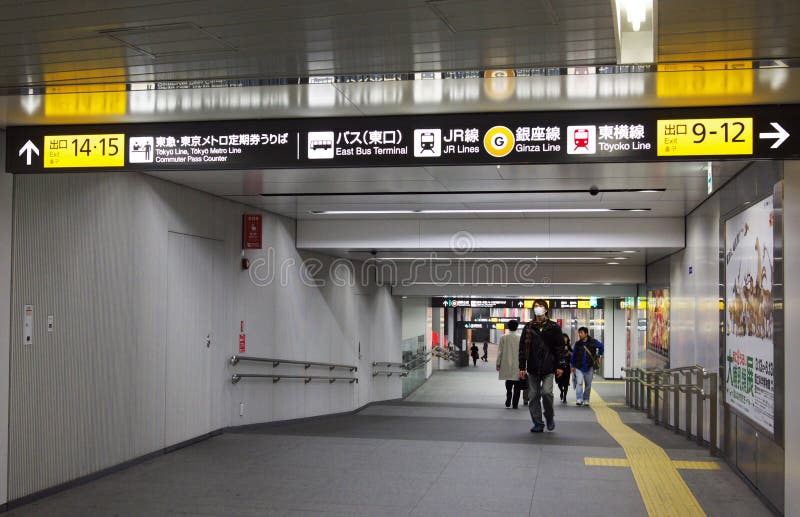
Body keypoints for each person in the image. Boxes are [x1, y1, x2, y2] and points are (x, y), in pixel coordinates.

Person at [518, 299, 564, 432]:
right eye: (536, 306)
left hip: (549, 367)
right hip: (532, 367)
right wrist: (522, 367)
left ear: (546, 309)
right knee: (533, 396)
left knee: (546, 393)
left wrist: (560, 365)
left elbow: (559, 348)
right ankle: (538, 423)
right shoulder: (528, 327)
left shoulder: (554, 327)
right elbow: (522, 348)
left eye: (540, 306)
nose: (538, 308)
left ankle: (549, 416)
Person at [571, 327, 605, 406]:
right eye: (579, 333)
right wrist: (572, 365)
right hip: (579, 367)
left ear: (586, 334)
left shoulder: (593, 342)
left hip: (589, 367)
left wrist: (599, 355)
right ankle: (579, 399)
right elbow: (574, 355)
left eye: (581, 333)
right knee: (579, 383)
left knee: (588, 384)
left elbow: (601, 346)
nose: (580, 334)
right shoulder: (577, 344)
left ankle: (586, 399)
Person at [496, 320, 522, 408]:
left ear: (508, 327)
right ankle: (515, 404)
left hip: (506, 363)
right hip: (518, 365)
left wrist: (498, 363)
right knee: (517, 385)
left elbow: (500, 352)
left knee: (509, 381)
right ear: (517, 327)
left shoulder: (503, 337)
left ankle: (508, 397)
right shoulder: (520, 337)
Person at [557, 333, 573, 404]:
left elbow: (573, 355)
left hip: (567, 367)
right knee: (559, 383)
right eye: (563, 338)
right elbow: (556, 355)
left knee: (566, 383)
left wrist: (569, 353)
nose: (565, 339)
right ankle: (561, 391)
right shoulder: (558, 346)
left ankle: (565, 397)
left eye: (566, 338)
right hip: (559, 367)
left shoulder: (569, 347)